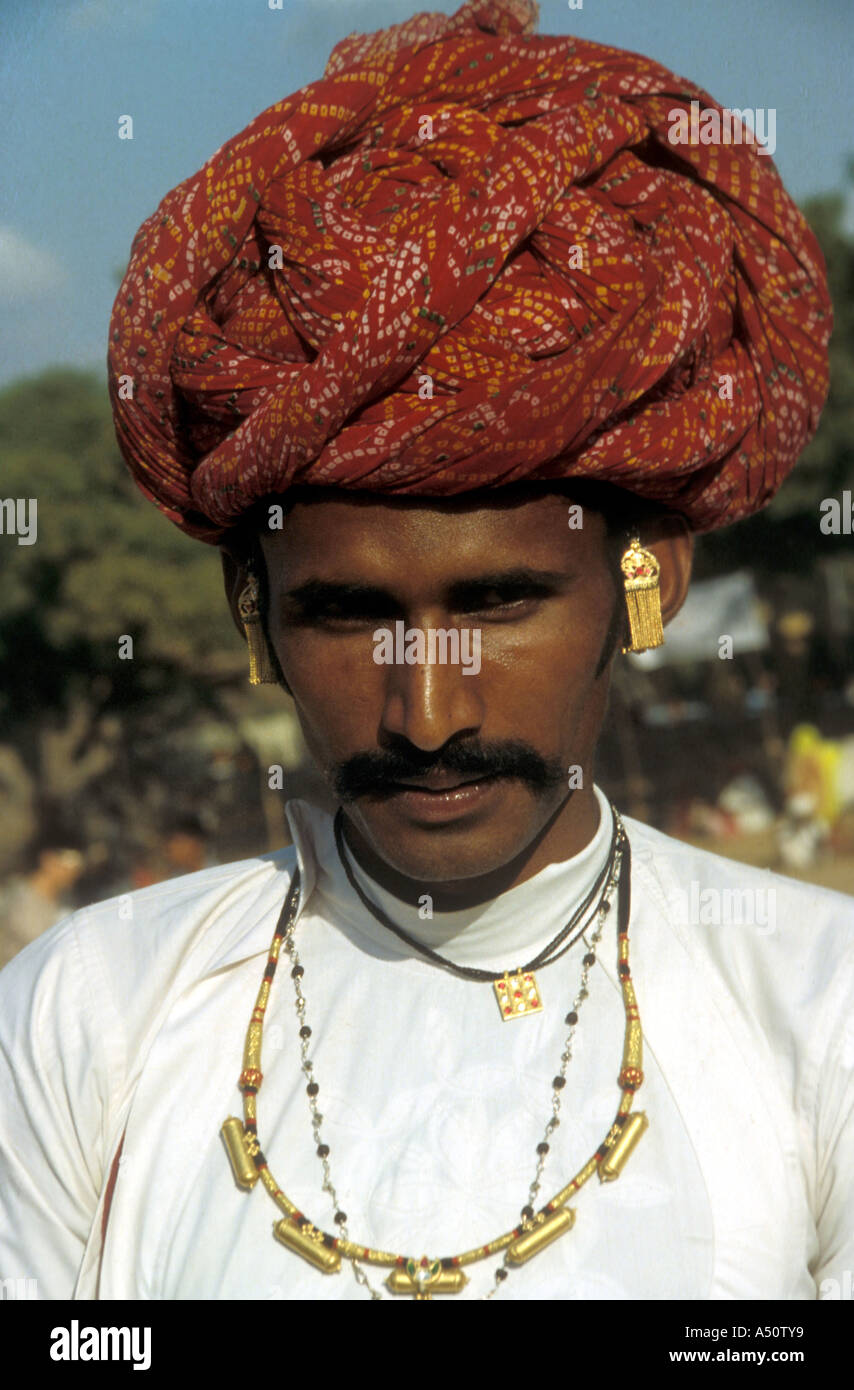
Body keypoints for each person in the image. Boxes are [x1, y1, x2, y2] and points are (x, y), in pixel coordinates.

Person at [1, 0, 849, 1302]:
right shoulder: (89, 1014)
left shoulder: (816, 1011)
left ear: (646, 580)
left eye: (499, 602)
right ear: (253, 612)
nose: (428, 709)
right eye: (344, 614)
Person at [0, 832, 84, 971]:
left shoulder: (63, 901)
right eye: (70, 860)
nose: (76, 869)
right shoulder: (20, 900)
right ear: (48, 859)